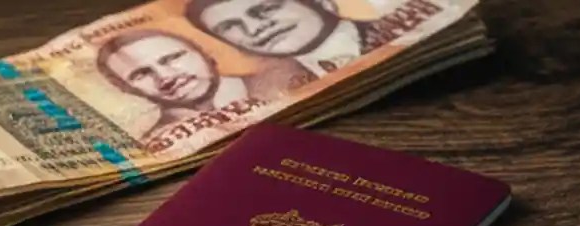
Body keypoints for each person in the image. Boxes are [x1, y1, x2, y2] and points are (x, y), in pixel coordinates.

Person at [95, 30, 251, 141]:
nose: (165, 77)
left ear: (205, 54)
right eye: (141, 74)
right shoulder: (154, 142)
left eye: (171, 58)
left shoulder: (272, 87)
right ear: (126, 89)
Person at [185, 0, 386, 75]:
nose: (255, 28)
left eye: (267, 9)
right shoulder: (282, 91)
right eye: (230, 27)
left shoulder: (397, 30)